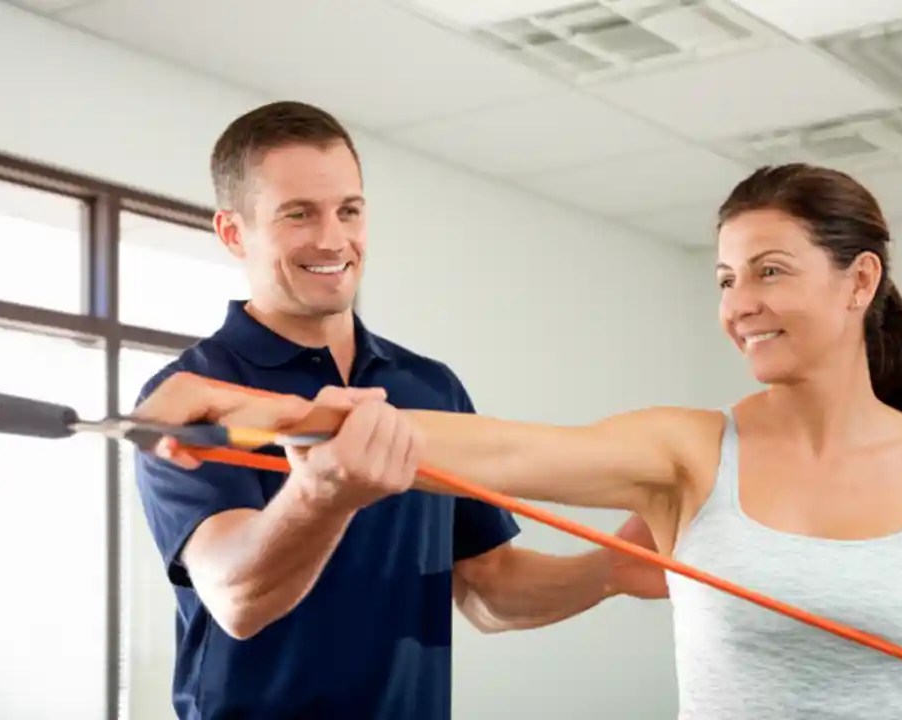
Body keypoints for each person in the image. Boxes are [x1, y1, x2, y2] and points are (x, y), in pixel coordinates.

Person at [136, 163, 902, 719]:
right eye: (724, 279)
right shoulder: (686, 453)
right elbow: (506, 452)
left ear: (858, 281)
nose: (740, 304)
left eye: (770, 271)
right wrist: (248, 405)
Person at [130, 100, 667, 720]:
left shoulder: (428, 388)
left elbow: (488, 589)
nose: (333, 240)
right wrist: (324, 493)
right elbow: (236, 598)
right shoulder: (187, 393)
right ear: (233, 232)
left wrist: (614, 570)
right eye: (298, 214)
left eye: (349, 211)